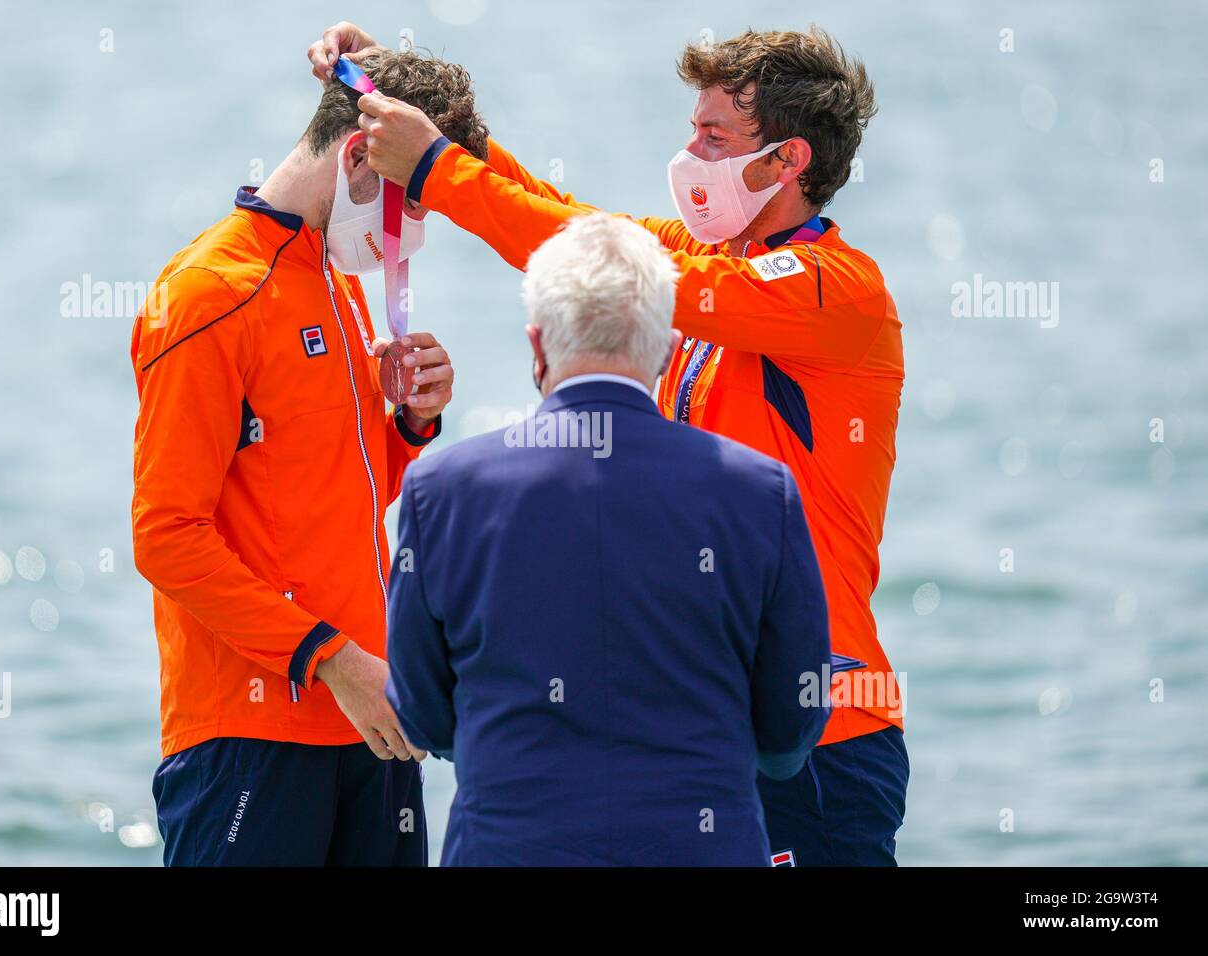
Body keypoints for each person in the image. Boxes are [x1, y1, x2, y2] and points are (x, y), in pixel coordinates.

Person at [310, 22, 908, 866]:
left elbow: (601, 259)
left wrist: (436, 168)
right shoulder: (705, 261)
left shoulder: (837, 289)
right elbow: (572, 229)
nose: (690, 152)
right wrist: (428, 117)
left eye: (714, 136)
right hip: (712, 728)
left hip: (825, 734)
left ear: (788, 162)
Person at [130, 48, 490, 866]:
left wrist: (413, 424)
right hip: (253, 735)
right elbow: (165, 535)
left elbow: (341, 493)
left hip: (372, 722)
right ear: (360, 155)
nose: (413, 233)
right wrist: (325, 657)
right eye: (412, 203)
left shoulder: (337, 283)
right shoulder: (207, 293)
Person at [384, 213, 832, 866]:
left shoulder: (441, 490)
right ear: (666, 347)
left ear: (537, 347)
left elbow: (422, 714)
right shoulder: (761, 491)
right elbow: (793, 719)